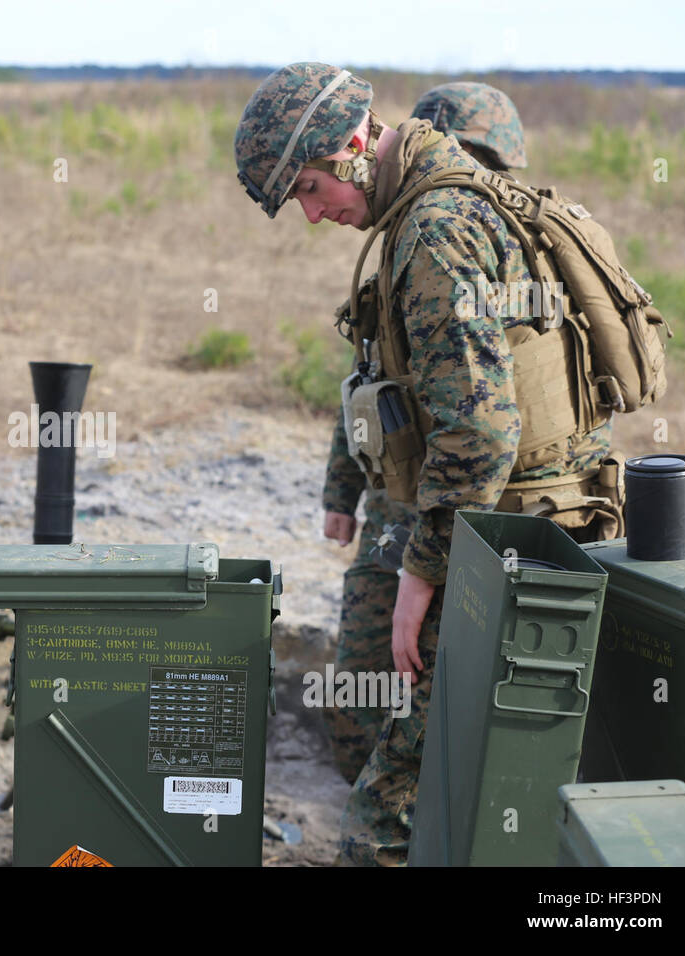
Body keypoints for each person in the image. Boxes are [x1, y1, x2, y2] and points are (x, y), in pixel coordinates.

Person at [234, 63, 619, 866]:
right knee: (437, 782)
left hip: (504, 540)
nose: (312, 215)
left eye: (309, 189)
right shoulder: (429, 209)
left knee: (385, 816)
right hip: (510, 529)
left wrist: (418, 574)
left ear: (350, 148)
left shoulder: (436, 230)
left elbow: (479, 432)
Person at [321, 82, 530, 786]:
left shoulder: (458, 235)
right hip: (402, 512)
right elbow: (369, 387)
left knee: (436, 737)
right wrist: (342, 489)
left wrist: (427, 564)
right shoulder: (413, 236)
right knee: (361, 695)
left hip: (470, 517)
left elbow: (487, 423)